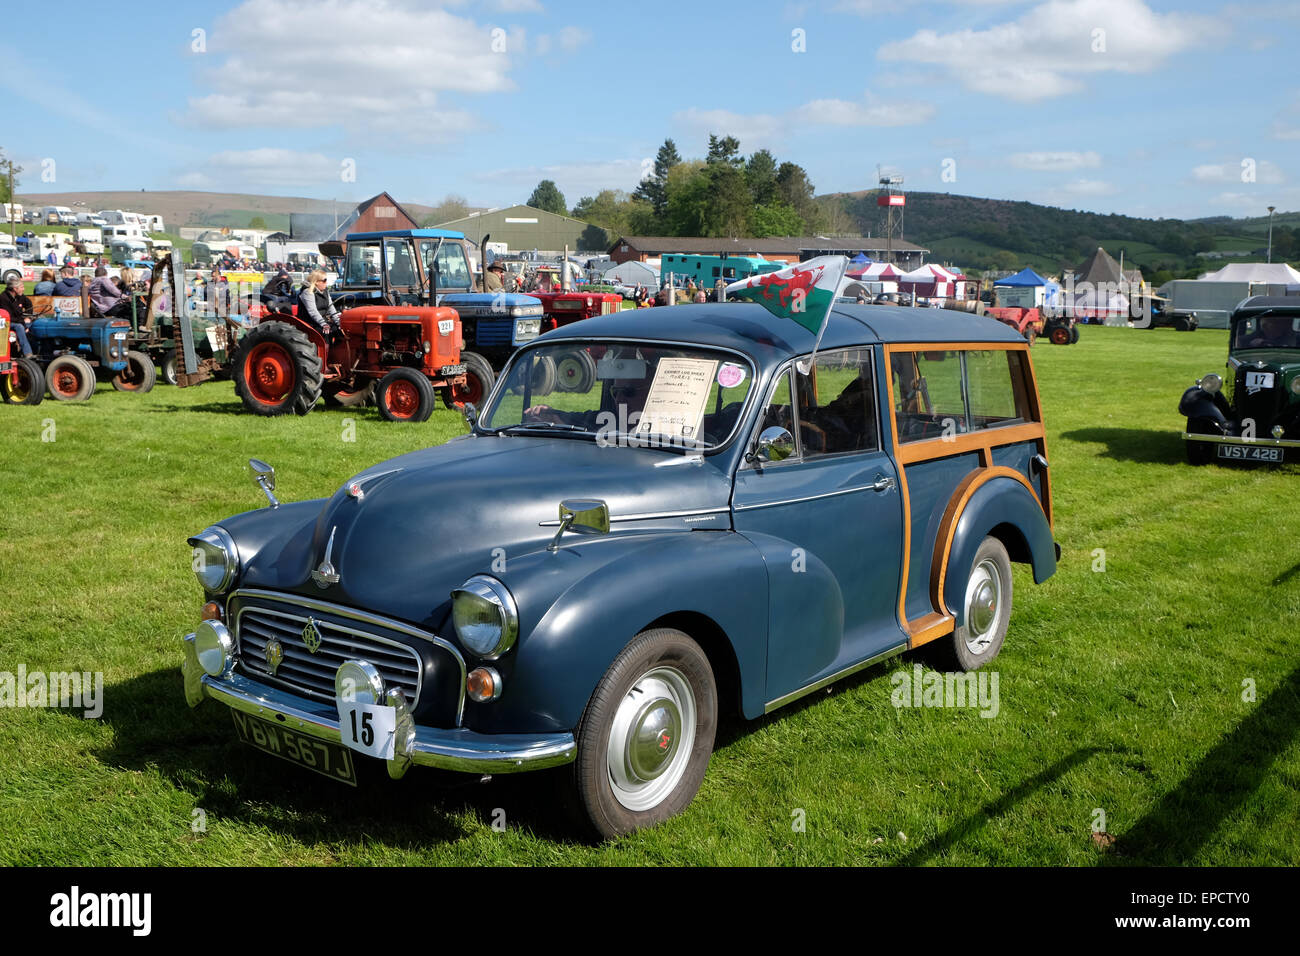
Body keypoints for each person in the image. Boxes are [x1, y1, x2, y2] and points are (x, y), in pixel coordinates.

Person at [299, 269, 342, 336]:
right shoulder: (308, 292)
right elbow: (312, 311)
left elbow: (331, 307)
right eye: (324, 280)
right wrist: (324, 324)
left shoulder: (325, 291)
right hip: (310, 322)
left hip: (322, 320)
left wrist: (339, 322)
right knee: (327, 332)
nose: (326, 283)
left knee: (339, 330)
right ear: (316, 282)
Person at [0, 276, 35, 357]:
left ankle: (37, 348)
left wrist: (28, 317)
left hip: (19, 320)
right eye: (22, 287)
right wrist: (23, 323)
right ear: (15, 289)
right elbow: (9, 317)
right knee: (19, 327)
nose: (23, 289)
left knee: (35, 324)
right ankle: (27, 353)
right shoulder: (3, 298)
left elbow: (29, 305)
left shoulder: (20, 296)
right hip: (6, 322)